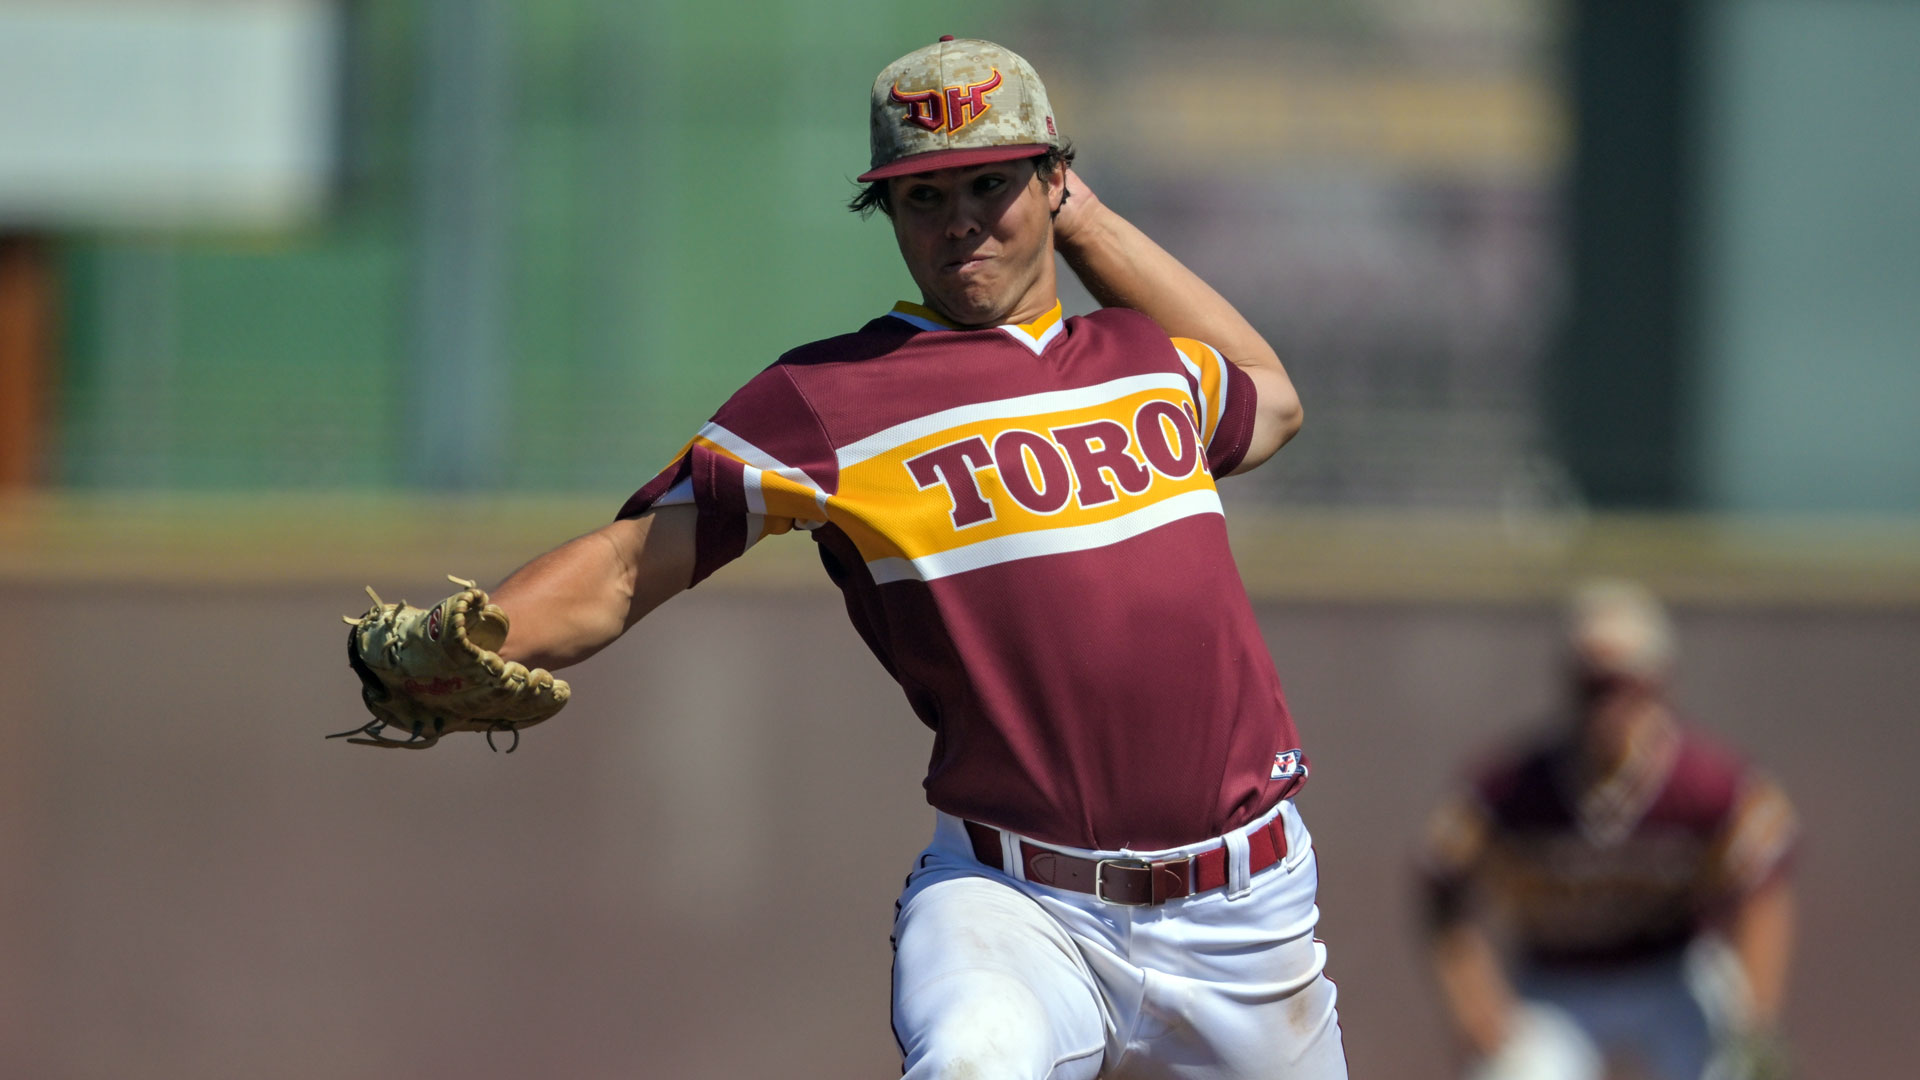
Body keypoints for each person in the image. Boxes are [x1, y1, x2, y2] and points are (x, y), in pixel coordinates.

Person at [344, 36, 1347, 1078]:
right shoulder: (829, 398)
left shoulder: (1144, 360)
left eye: (991, 183)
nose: (959, 219)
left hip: (1248, 918)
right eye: (922, 196)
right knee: (972, 1061)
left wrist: (1085, 219)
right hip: (1018, 907)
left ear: (1055, 180)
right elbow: (630, 562)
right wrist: (482, 635)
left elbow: (1269, 395)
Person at [1417, 580, 1797, 1080]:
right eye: (1593, 687)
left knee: (1740, 1069)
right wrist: (1475, 1003)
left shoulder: (1710, 785)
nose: (1609, 706)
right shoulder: (1514, 788)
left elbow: (1766, 885)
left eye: (1625, 685)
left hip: (1672, 972)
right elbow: (1440, 881)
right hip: (1558, 980)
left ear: (1661, 685)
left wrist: (1755, 1020)